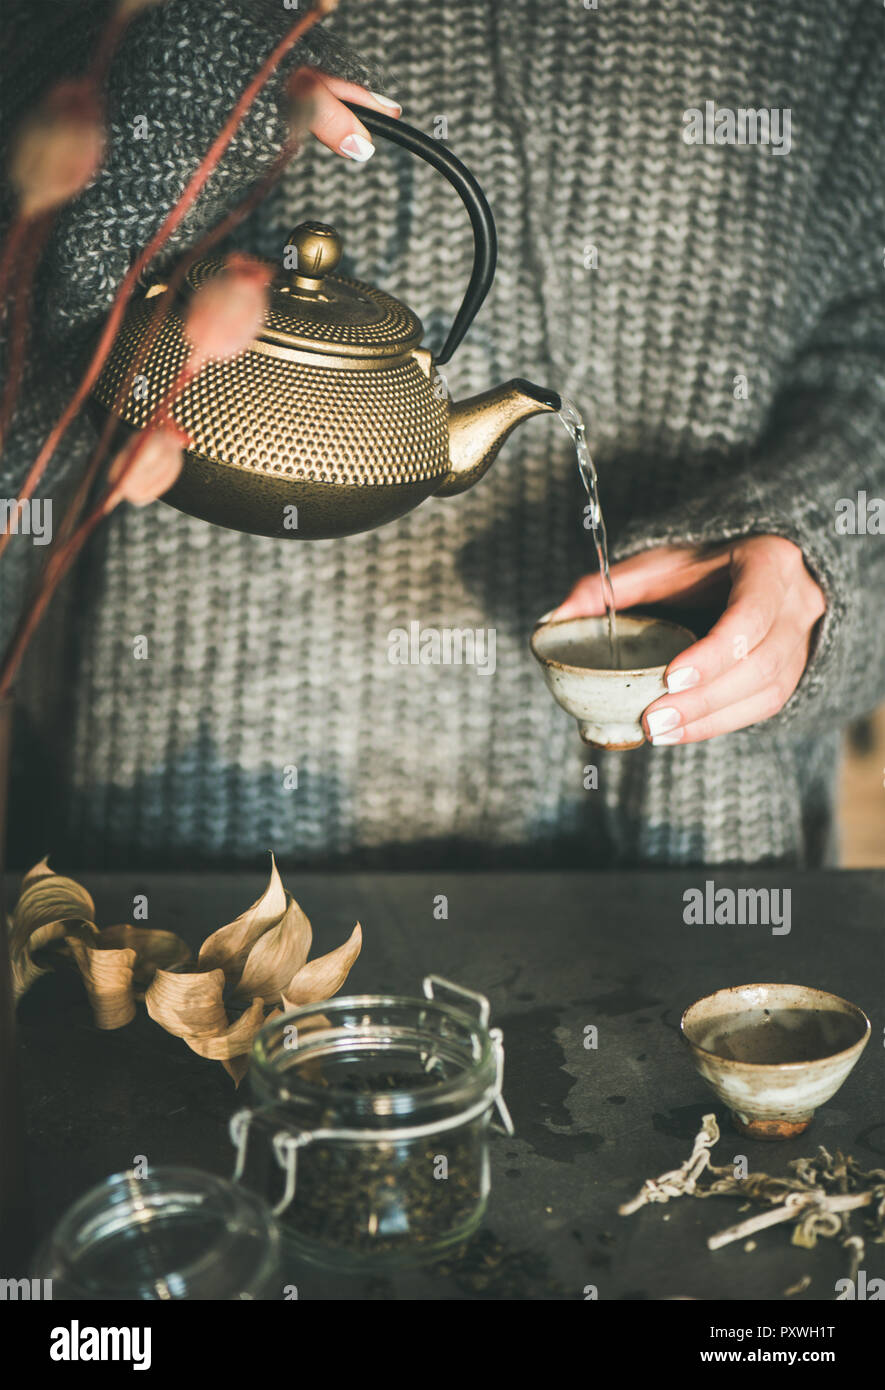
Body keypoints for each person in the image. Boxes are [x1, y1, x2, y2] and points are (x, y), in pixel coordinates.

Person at [2, 0, 883, 870]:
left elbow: (867, 342)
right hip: (192, 798)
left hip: (694, 830)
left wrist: (813, 554)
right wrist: (189, 72)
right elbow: (35, 285)